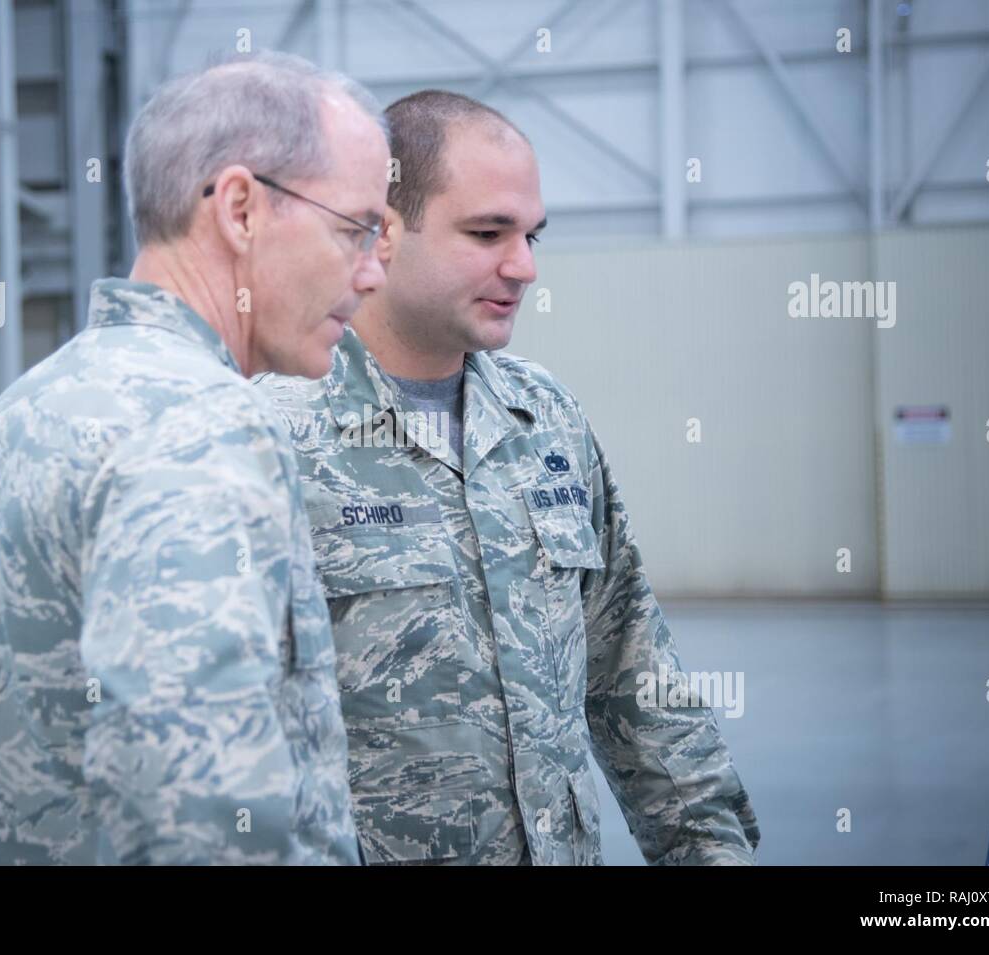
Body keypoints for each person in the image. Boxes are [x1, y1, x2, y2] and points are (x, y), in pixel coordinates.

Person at [0, 52, 390, 864]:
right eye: (355, 228)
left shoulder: (17, 415)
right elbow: (197, 806)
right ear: (240, 208)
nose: (375, 272)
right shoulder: (204, 428)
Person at [260, 90, 759, 865]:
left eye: (531, 235)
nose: (523, 266)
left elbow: (633, 670)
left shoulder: (546, 419)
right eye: (488, 233)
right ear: (383, 231)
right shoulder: (269, 439)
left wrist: (711, 848)